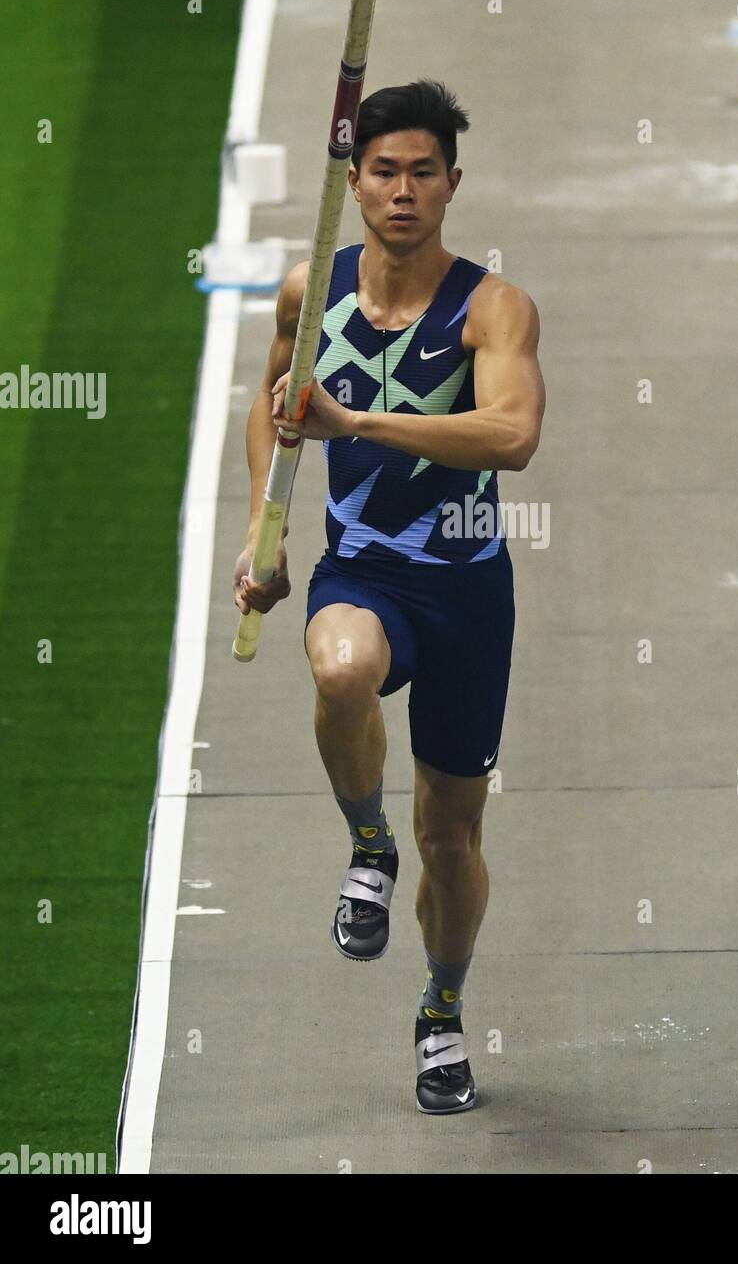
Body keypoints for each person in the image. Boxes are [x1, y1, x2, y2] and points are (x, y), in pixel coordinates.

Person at [234, 79, 545, 1113]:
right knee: (340, 667)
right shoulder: (304, 294)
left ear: (453, 182)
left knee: (452, 839)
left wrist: (355, 423)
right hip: (362, 572)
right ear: (354, 181)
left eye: (422, 171)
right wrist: (261, 533)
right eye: (383, 172)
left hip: (464, 591)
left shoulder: (491, 306)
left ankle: (441, 1011)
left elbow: (512, 437)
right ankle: (364, 841)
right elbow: (274, 409)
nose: (402, 191)